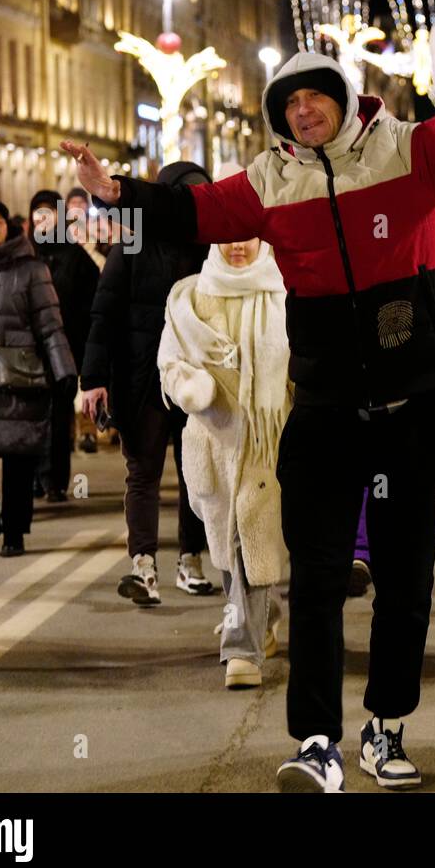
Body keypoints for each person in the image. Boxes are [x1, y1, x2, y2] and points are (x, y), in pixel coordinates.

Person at [64, 0, 435, 794]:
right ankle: (316, 740)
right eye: (291, 103)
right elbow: (191, 213)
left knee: (405, 579)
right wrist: (115, 195)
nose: (305, 111)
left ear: (344, 101)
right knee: (314, 579)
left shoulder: (412, 150)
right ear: (279, 116)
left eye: (318, 98)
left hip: (414, 402)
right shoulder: (268, 183)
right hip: (325, 407)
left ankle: (387, 727)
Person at [79, 163, 213, 606]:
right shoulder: (135, 239)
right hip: (142, 377)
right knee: (143, 472)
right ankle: (143, 566)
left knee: (196, 472)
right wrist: (94, 379)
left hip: (198, 380)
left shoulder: (213, 246)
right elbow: (105, 310)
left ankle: (190, 559)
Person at [159, 236, 288, 689]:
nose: (238, 247)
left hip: (270, 440)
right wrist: (191, 386)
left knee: (251, 531)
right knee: (229, 546)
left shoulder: (283, 290)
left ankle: (241, 649)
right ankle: (264, 617)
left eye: (246, 238)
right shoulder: (190, 295)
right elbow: (169, 360)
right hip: (213, 440)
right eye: (227, 237)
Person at [0, 199, 77, 558]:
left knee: (19, 463)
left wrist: (64, 370)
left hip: (20, 377)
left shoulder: (31, 270)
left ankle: (14, 531)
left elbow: (50, 325)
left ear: (9, 227)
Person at [29, 189, 100, 503]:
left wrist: (88, 356)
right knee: (30, 416)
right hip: (27, 352)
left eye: (49, 212)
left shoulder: (76, 257)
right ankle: (32, 478)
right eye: (37, 213)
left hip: (66, 349)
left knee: (58, 417)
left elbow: (92, 305)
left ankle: (55, 480)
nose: (43, 219)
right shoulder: (22, 255)